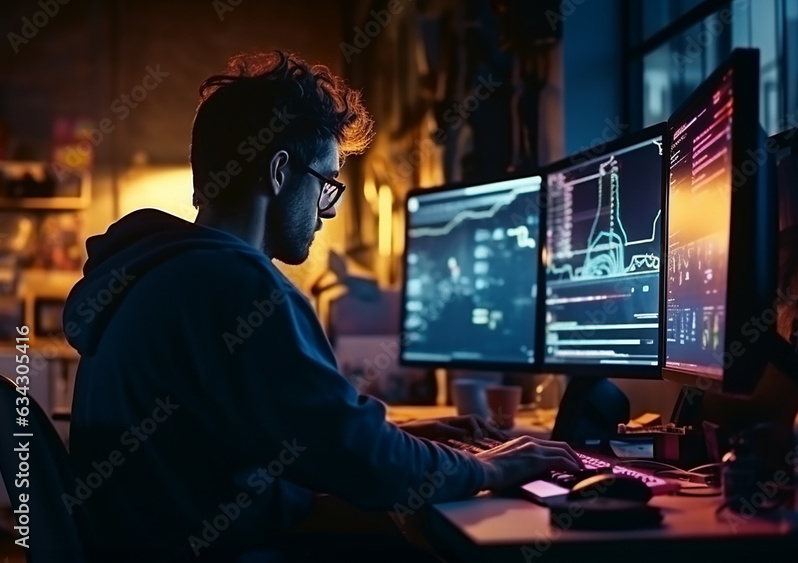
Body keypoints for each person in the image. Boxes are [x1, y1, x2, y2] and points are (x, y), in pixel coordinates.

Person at [64, 50, 581, 562]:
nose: (327, 212)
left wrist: (396, 439)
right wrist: (489, 467)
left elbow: (299, 440)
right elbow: (362, 463)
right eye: (327, 184)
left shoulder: (160, 271)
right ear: (279, 172)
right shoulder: (235, 284)